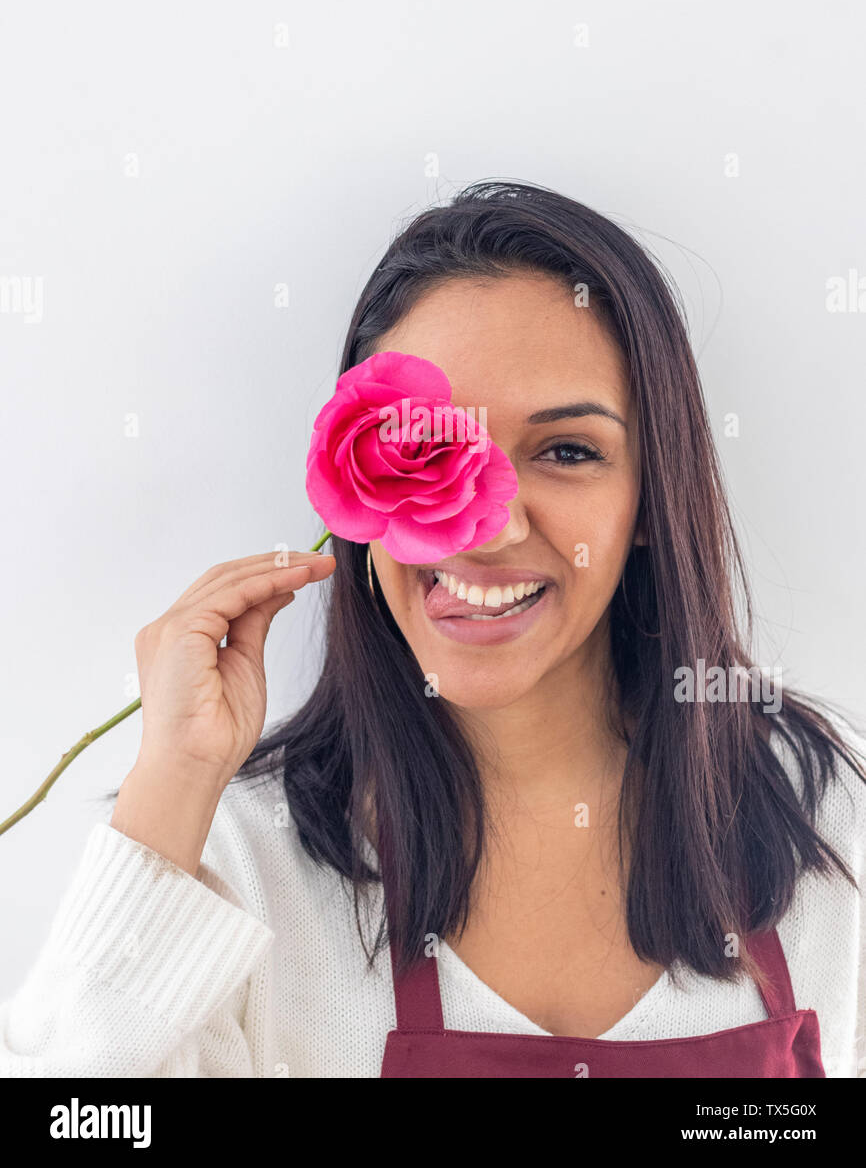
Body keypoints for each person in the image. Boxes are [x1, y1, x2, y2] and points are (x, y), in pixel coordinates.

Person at [1, 181, 864, 1078]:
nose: (487, 527)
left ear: (649, 497)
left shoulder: (835, 826)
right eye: (431, 445)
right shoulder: (237, 866)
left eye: (567, 452)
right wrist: (168, 787)